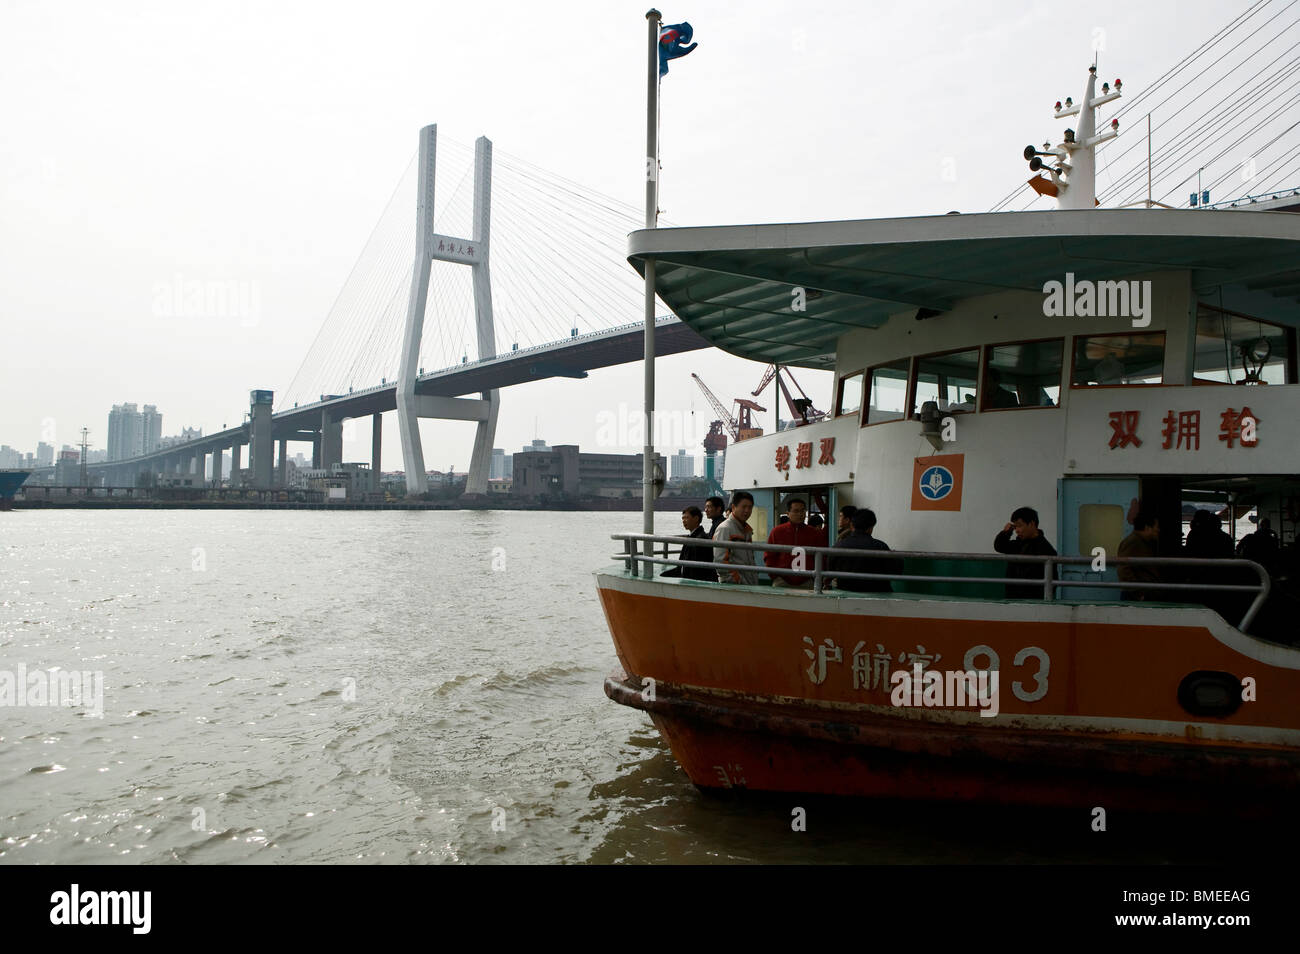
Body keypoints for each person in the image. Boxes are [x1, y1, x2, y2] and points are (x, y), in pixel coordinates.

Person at [993, 506, 1057, 600]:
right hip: (1012, 598)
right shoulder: (1018, 544)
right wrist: (1006, 533)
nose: (1016, 530)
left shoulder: (1045, 549)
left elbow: (1053, 581)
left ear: (1031, 524)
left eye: (1019, 525)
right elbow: (999, 546)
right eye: (1015, 527)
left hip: (1033, 602)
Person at [830, 508, 900, 592]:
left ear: (852, 525)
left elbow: (830, 569)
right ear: (871, 527)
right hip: (877, 593)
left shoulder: (839, 546)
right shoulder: (881, 546)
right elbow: (895, 571)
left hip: (846, 591)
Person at [764, 497, 828, 587]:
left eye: (802, 511)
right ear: (788, 513)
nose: (800, 514)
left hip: (808, 581)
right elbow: (769, 556)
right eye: (796, 511)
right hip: (782, 581)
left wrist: (815, 577)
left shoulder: (814, 533)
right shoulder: (777, 532)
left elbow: (822, 557)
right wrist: (775, 576)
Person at [713, 491, 760, 585]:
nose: (747, 511)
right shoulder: (725, 529)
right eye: (744, 507)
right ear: (734, 507)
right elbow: (721, 562)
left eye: (750, 507)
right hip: (734, 587)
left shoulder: (746, 530)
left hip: (748, 584)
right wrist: (738, 581)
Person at [660, 505, 715, 582]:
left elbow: (696, 570)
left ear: (696, 519)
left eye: (687, 518)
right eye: (683, 518)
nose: (684, 521)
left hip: (695, 581)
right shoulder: (693, 537)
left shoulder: (700, 539)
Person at [1117, 511, 1160, 601]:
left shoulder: (1142, 542)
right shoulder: (1133, 542)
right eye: (1156, 526)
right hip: (1135, 596)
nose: (1158, 530)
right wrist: (1138, 594)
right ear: (1147, 527)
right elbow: (1124, 569)